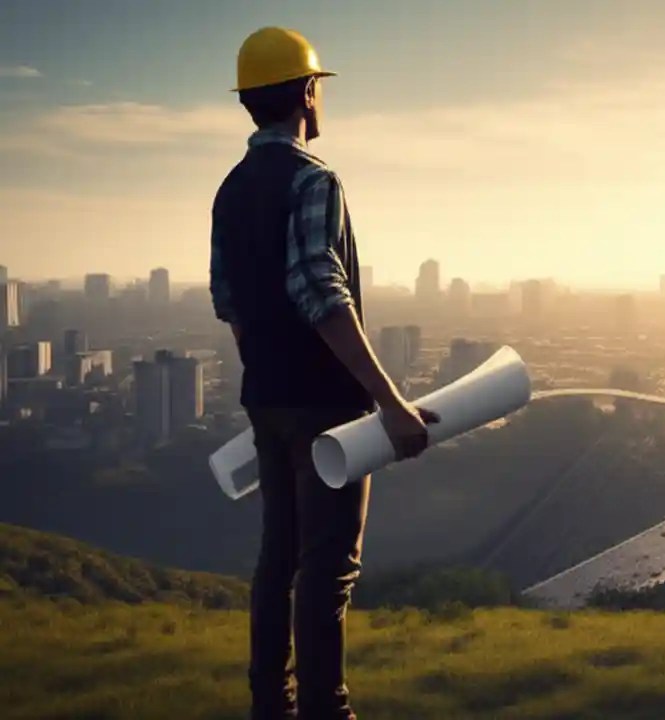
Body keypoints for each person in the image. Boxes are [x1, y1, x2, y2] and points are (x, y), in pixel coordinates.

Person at [209, 26, 438, 720]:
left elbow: (229, 300)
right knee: (328, 566)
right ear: (307, 94)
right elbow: (321, 291)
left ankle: (269, 706)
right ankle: (324, 711)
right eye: (318, 87)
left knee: (277, 558)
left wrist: (269, 376)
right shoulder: (314, 181)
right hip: (324, 410)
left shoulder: (231, 189)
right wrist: (389, 402)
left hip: (267, 401)